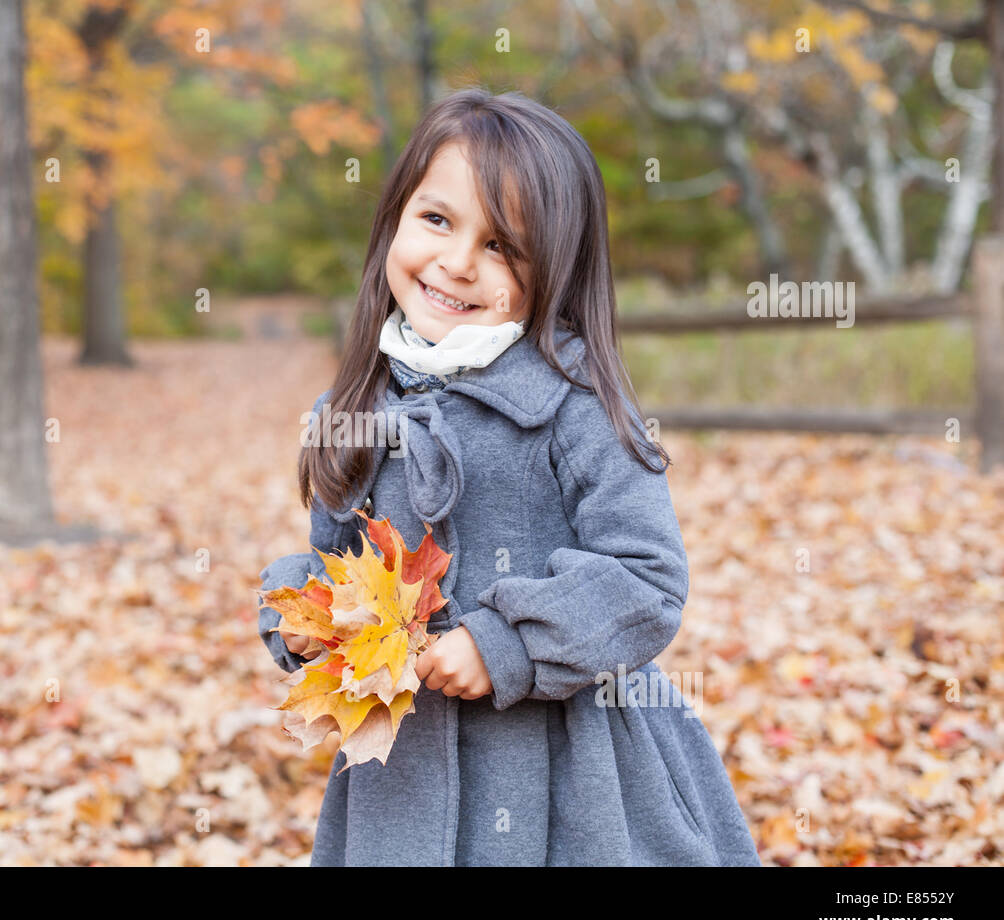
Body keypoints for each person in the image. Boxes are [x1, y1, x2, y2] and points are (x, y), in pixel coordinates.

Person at [257, 87, 761, 866]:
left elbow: (647, 578)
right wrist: (311, 619)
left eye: (503, 247)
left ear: (553, 270)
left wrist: (505, 644)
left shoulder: (575, 404)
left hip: (572, 769)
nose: (457, 263)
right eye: (437, 220)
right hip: (405, 778)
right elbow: (340, 569)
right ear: (395, 214)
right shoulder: (353, 406)